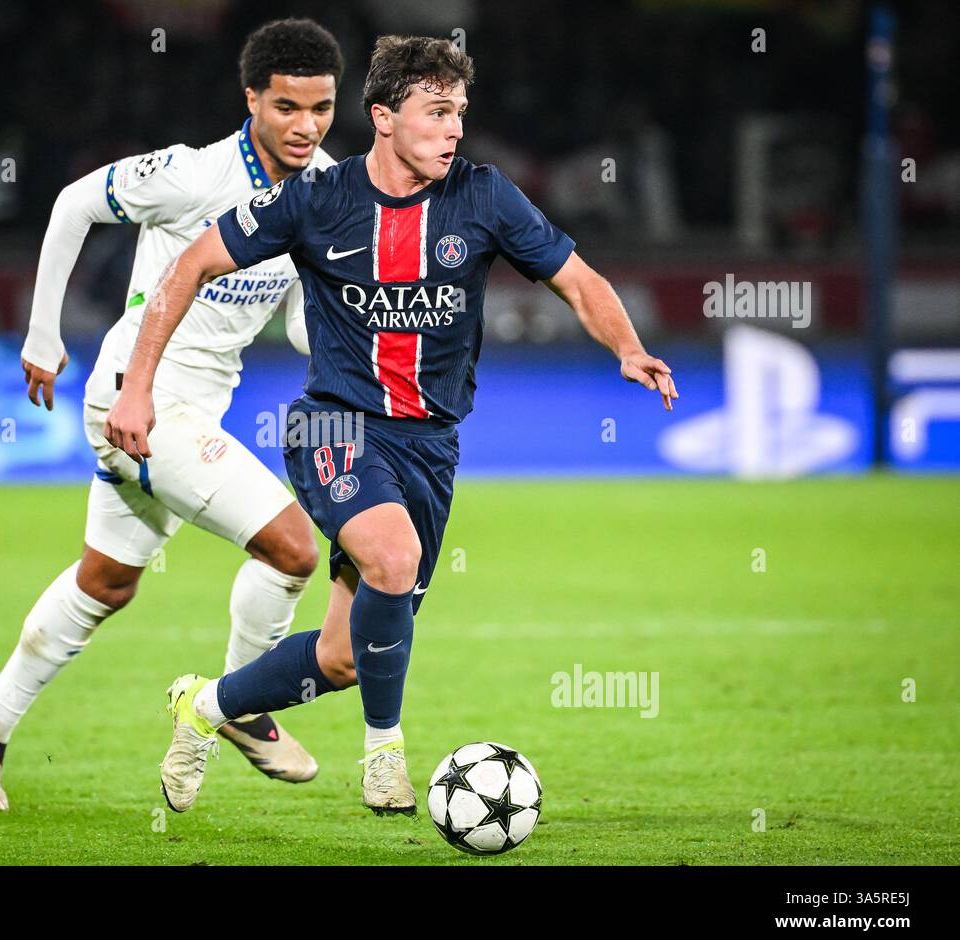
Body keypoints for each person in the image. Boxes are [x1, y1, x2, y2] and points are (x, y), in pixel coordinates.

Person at [105, 35, 679, 816]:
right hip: (331, 427)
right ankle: (384, 755)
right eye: (436, 112)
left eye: (460, 114)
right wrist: (137, 388)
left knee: (342, 658)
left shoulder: (484, 197)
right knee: (394, 555)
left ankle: (204, 707)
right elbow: (191, 265)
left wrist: (628, 348)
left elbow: (577, 279)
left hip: (431, 446)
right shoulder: (317, 198)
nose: (454, 130)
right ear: (382, 117)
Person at [0, 18, 345, 810]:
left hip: (198, 408)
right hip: (138, 398)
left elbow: (302, 320)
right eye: (288, 108)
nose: (306, 127)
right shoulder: (193, 176)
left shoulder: (326, 188)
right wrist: (42, 332)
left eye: (322, 108)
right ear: (251, 101)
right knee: (295, 550)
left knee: (107, 581)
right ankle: (243, 702)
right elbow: (72, 204)